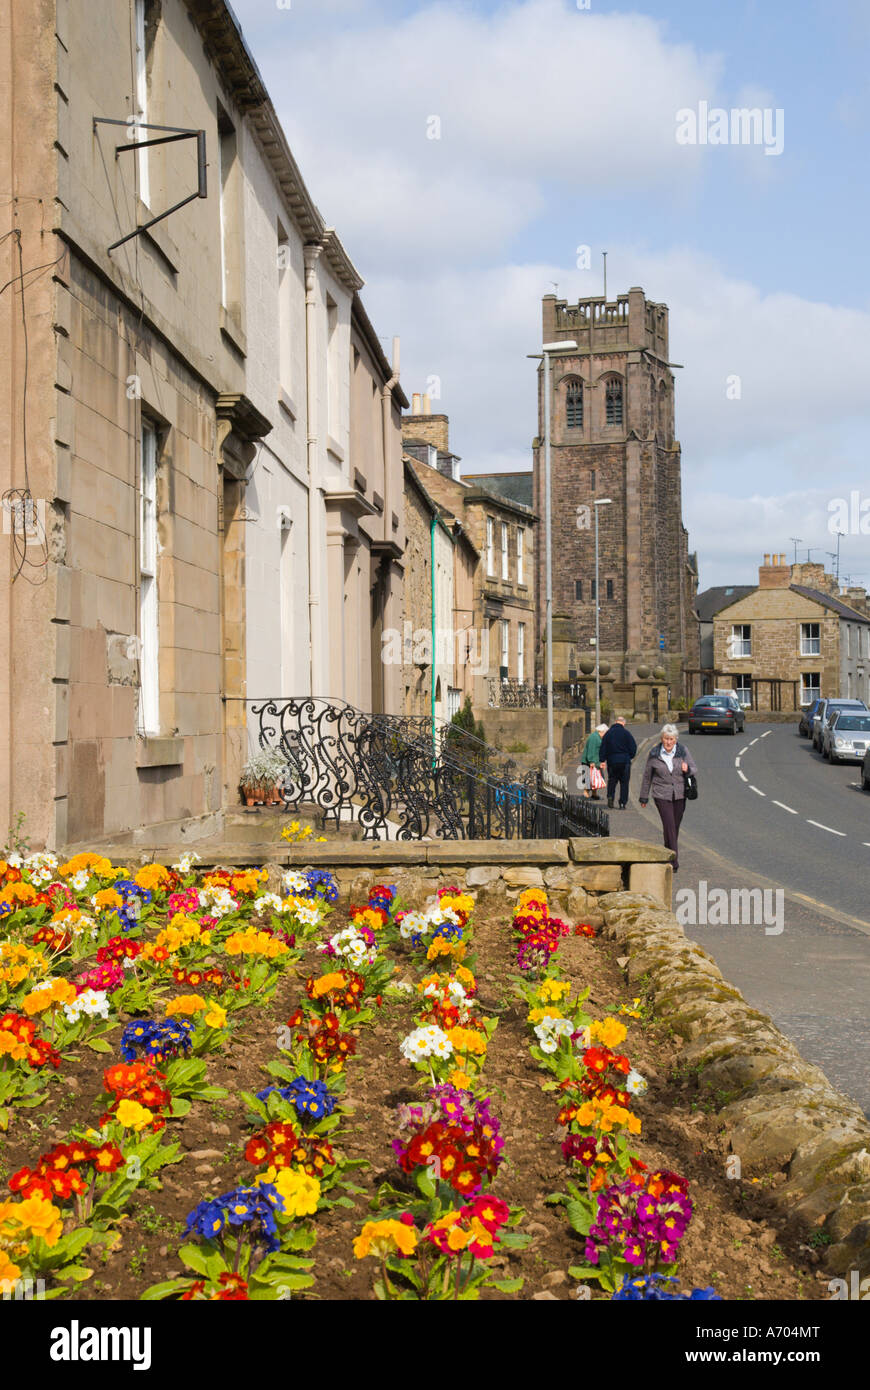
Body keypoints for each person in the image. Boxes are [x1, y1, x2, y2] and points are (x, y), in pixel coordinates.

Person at [638, 723, 698, 872]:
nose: (668, 742)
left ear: (676, 739)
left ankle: (667, 851)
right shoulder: (654, 754)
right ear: (662, 739)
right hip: (661, 794)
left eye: (671, 739)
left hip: (680, 794)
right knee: (669, 825)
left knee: (674, 827)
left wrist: (687, 769)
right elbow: (647, 777)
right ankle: (674, 862)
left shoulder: (683, 751)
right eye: (666, 739)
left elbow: (694, 769)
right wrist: (643, 797)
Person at [599, 716, 637, 809]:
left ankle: (610, 797)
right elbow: (633, 747)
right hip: (625, 761)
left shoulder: (608, 734)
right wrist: (629, 756)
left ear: (615, 722)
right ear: (623, 723)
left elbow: (603, 747)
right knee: (624, 783)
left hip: (612, 761)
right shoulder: (627, 733)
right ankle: (622, 803)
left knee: (612, 780)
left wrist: (602, 759)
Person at [579, 722, 608, 799]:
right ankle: (586, 793)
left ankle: (594, 794)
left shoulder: (597, 737)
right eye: (605, 733)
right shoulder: (594, 737)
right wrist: (591, 761)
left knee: (596, 777)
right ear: (601, 731)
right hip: (589, 761)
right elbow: (591, 750)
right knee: (589, 778)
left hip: (596, 761)